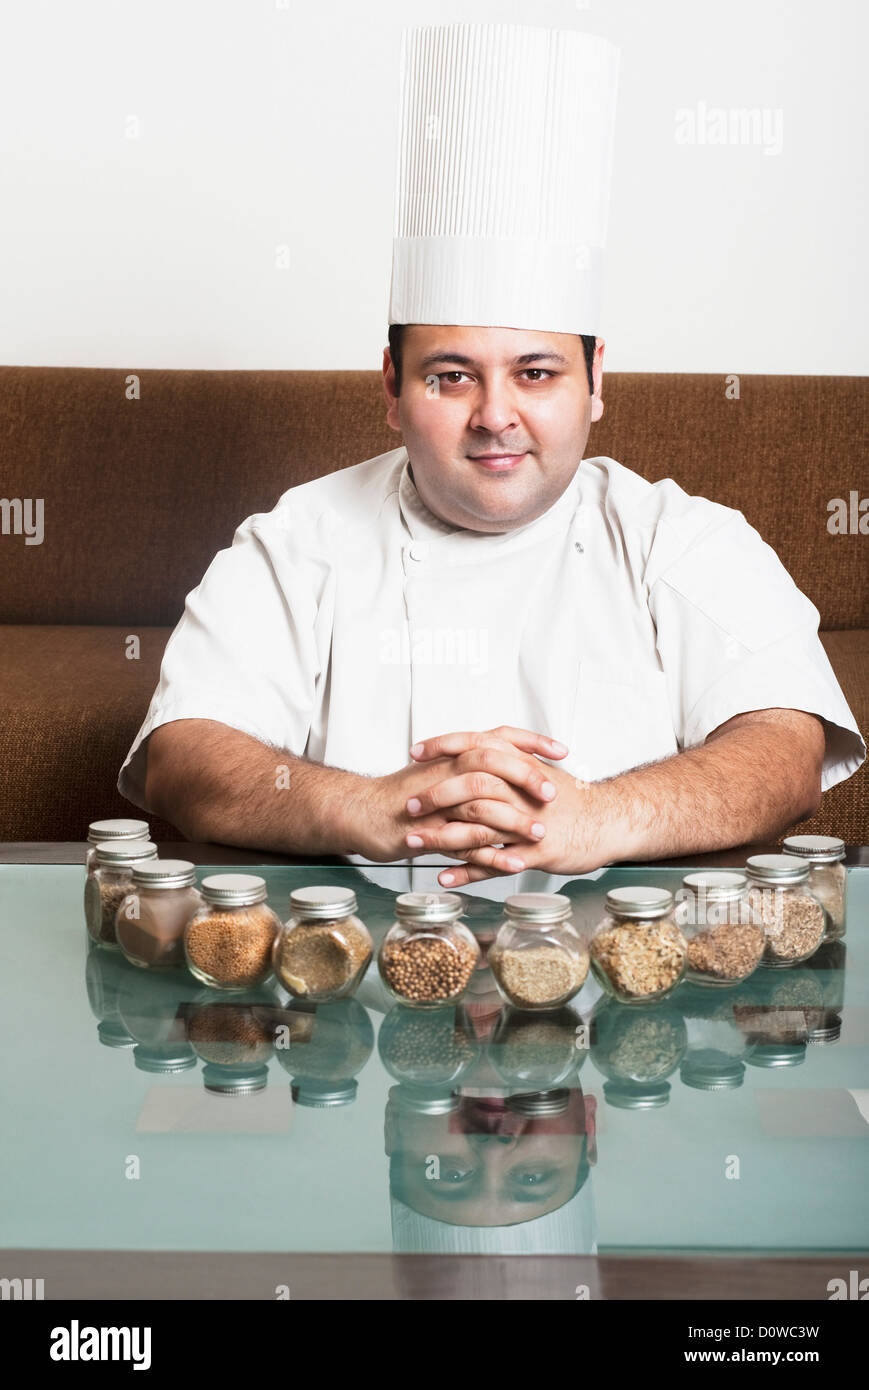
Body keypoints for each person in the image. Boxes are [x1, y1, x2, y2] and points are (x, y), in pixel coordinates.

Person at [118, 24, 865, 890]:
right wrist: (370, 807)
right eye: (451, 377)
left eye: (536, 373)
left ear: (594, 381)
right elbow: (182, 752)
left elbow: (785, 750)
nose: (495, 416)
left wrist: (595, 815)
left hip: (626, 982)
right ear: (391, 387)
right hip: (355, 985)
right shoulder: (299, 540)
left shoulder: (684, 538)